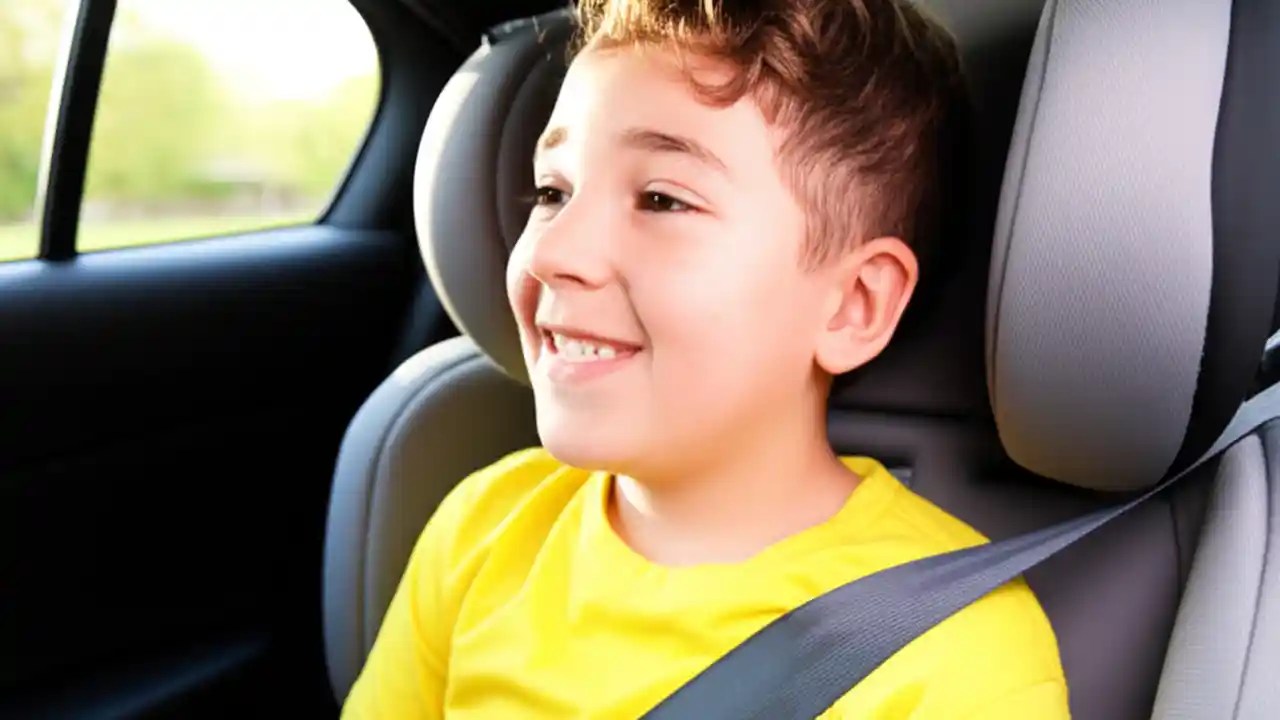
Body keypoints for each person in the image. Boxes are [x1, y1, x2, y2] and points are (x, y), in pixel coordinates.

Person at [342, 0, 1069, 716]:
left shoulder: (953, 651)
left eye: (661, 199)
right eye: (551, 191)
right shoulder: (482, 533)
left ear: (853, 304)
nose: (554, 251)